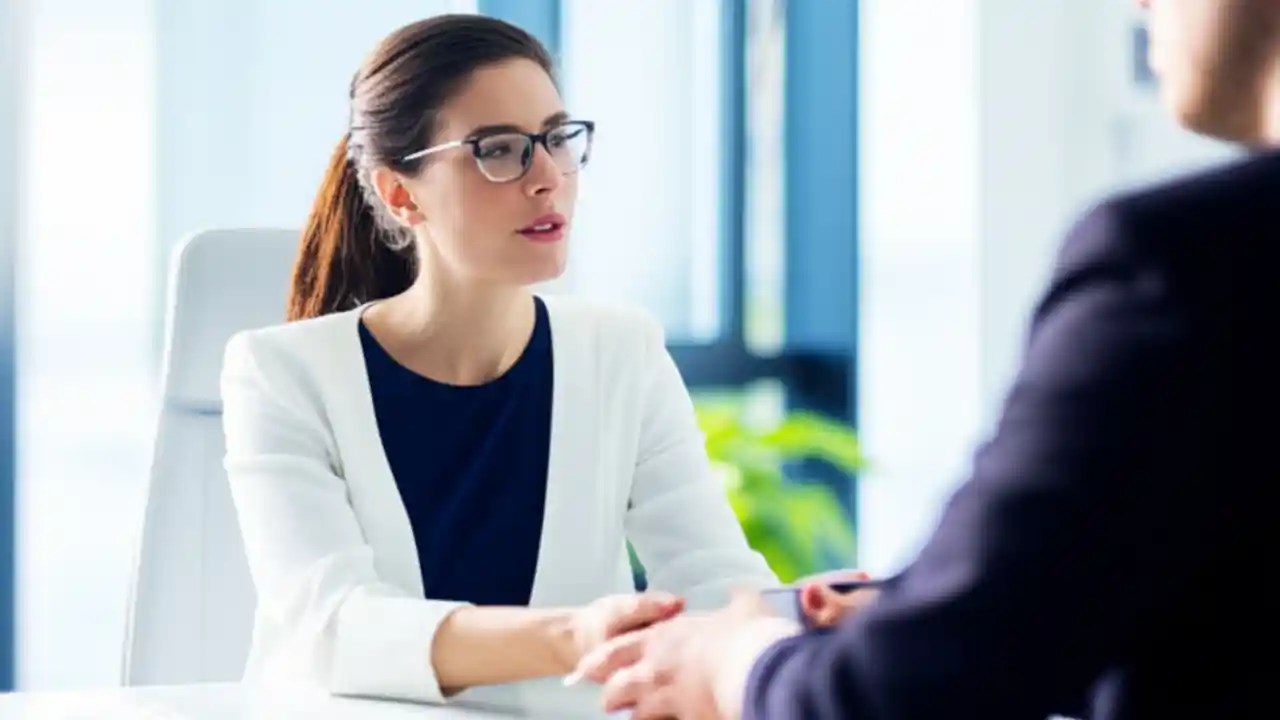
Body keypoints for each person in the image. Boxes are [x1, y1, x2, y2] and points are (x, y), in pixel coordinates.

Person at [575, 0, 1276, 717]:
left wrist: (739, 663)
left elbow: (903, 692)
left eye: (558, 141)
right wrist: (921, 623)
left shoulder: (1181, 265)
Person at [219, 13, 776, 705]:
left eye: (556, 139)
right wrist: (575, 635)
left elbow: (714, 579)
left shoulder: (621, 351)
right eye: (499, 149)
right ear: (401, 192)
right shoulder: (281, 373)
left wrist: (807, 626)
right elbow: (336, 628)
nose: (547, 177)